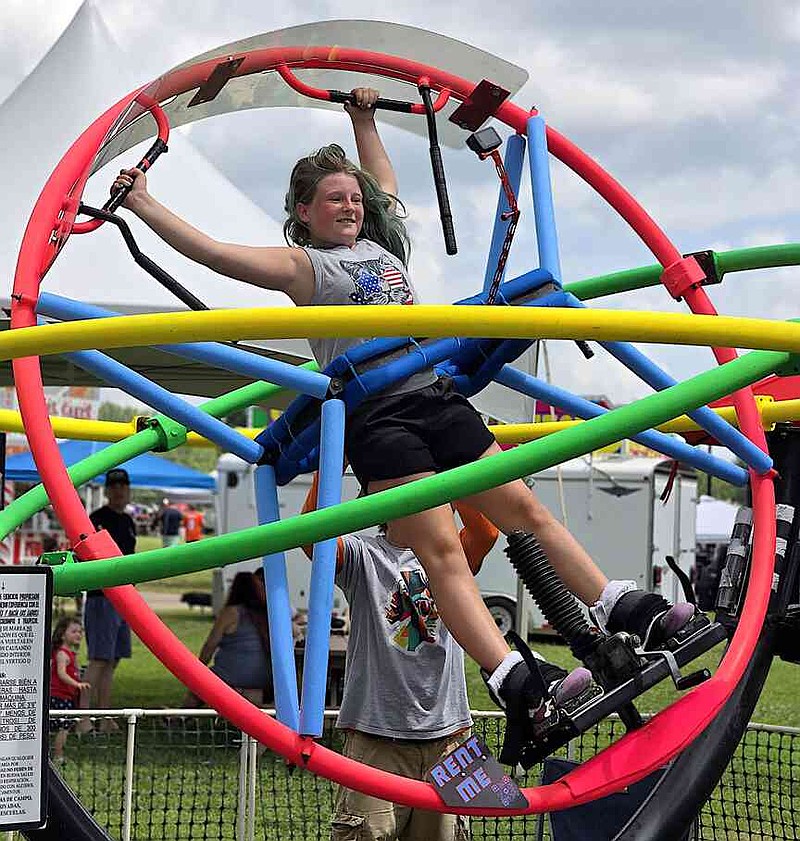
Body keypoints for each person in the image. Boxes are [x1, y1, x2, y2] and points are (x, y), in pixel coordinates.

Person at [111, 87, 697, 761]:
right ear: (304, 213)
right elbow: (215, 252)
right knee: (441, 550)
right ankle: (517, 681)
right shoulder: (306, 267)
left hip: (434, 391)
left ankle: (623, 604)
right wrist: (145, 202)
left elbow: (383, 184)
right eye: (335, 199)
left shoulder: (384, 250)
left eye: (353, 198)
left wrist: (363, 120)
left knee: (525, 508)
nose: (351, 205)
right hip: (378, 415)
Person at [81, 468, 135, 733]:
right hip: (102, 597)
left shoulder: (128, 521)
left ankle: (104, 716)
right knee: (99, 659)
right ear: (106, 490)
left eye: (123, 486)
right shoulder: (95, 519)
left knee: (113, 659)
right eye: (114, 486)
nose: (119, 491)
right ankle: (83, 718)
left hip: (125, 598)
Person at [181, 570, 272, 707]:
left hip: (232, 675)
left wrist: (198, 670)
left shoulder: (231, 613)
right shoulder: (268, 614)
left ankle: (180, 717)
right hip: (264, 678)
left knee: (199, 685)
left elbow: (210, 646)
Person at [50, 616, 91, 762]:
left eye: (80, 632)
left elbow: (73, 670)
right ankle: (58, 755)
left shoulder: (70, 654)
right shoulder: (62, 654)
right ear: (62, 635)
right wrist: (76, 684)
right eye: (74, 631)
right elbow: (61, 674)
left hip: (67, 696)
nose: (78, 634)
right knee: (64, 728)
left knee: (62, 727)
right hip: (59, 697)